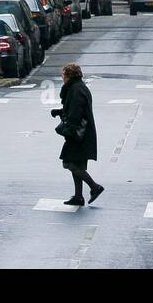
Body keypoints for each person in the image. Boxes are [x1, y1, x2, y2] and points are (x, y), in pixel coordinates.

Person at [51, 62, 103, 205]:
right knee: (77, 164)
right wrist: (59, 112)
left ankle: (94, 187)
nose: (62, 77)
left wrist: (69, 131)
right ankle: (78, 196)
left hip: (78, 134)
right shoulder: (78, 87)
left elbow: (76, 113)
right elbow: (74, 109)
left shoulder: (75, 90)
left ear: (68, 76)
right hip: (82, 132)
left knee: (69, 162)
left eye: (63, 74)